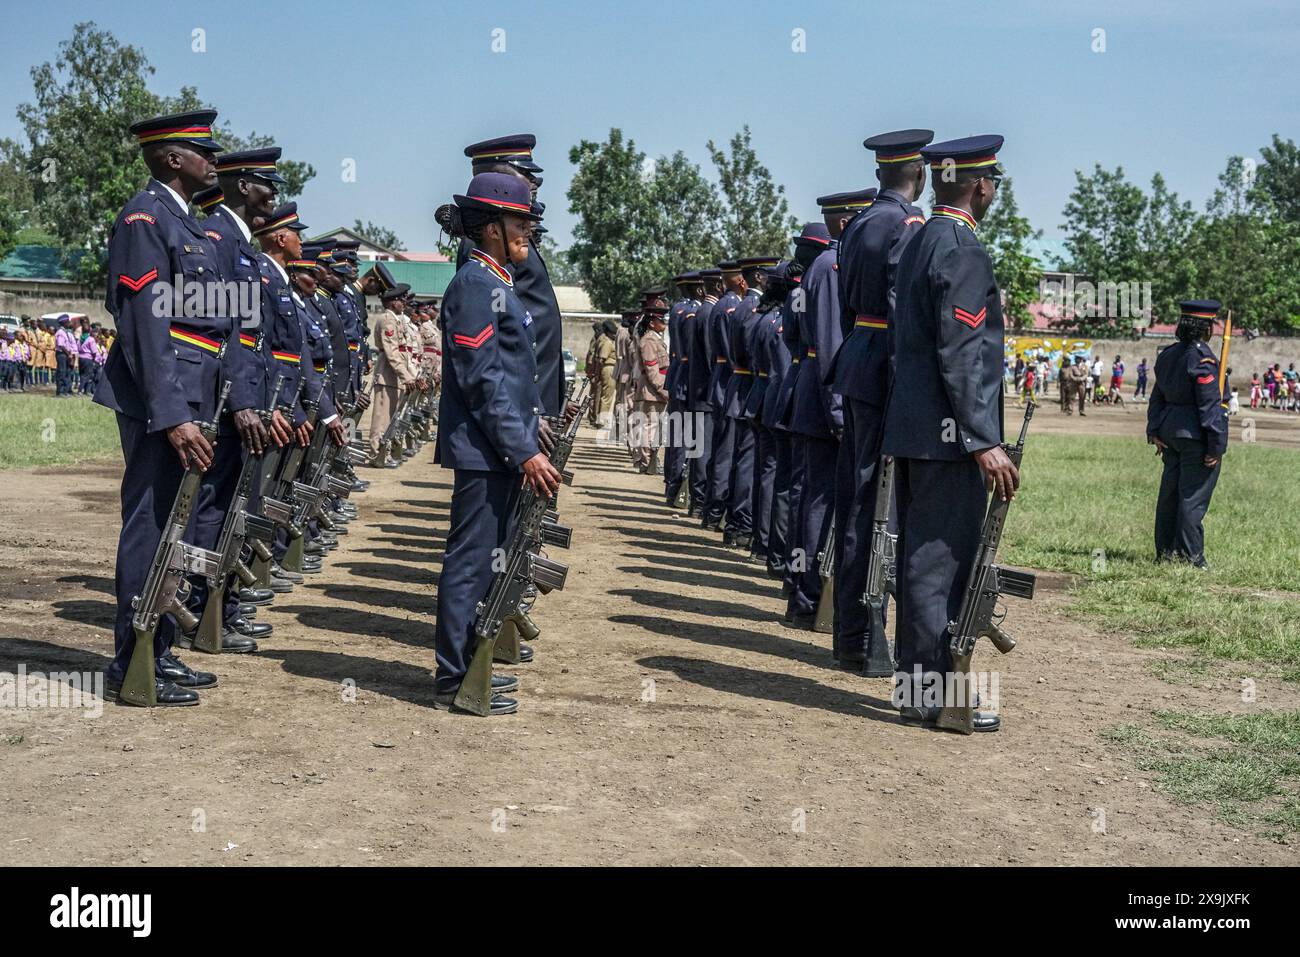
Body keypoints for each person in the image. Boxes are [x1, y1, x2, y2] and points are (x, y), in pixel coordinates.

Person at [93, 109, 232, 706]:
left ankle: (162, 648)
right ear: (174, 159)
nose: (213, 161)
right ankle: (134, 660)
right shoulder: (145, 218)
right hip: (163, 399)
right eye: (204, 152)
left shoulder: (184, 222)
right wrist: (171, 413)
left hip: (189, 392)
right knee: (149, 526)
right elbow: (146, 324)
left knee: (174, 529)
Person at [881, 134, 1015, 733]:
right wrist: (983, 438)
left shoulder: (921, 239)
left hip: (916, 428)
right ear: (981, 185)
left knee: (920, 559)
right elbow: (962, 352)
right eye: (995, 185)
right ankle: (932, 695)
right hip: (948, 437)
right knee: (939, 565)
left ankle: (917, 690)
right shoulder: (961, 247)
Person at [431, 172, 560, 715]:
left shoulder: (496, 282)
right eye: (519, 221)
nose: (528, 230)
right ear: (488, 228)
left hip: (498, 447)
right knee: (471, 561)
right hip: (486, 451)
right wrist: (523, 449)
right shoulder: (475, 287)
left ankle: (472, 667)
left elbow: (510, 376)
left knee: (491, 561)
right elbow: (482, 380)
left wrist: (536, 428)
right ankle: (455, 677)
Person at [828, 129, 930, 667]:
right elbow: (902, 307)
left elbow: (851, 308)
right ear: (921, 174)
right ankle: (867, 638)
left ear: (879, 175)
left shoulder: (860, 223)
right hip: (887, 368)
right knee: (881, 511)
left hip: (858, 362)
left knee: (857, 504)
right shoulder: (908, 224)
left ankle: (850, 636)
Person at [787, 191, 872, 627]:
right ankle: (808, 599)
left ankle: (808, 597)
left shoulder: (832, 265)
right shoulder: (831, 266)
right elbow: (829, 344)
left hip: (822, 400)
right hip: (826, 405)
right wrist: (839, 413)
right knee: (820, 503)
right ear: (845, 222)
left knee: (818, 500)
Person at [1148, 300, 1228, 568]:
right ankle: (1191, 557)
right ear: (1206, 328)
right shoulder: (1203, 359)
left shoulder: (1169, 354)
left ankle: (1166, 552)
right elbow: (1209, 407)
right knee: (1192, 497)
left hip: (1170, 432)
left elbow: (1157, 396)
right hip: (1195, 436)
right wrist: (1216, 445)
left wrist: (1154, 429)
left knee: (1170, 495)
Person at [368, 283, 419, 467]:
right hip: (387, 374)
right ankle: (377, 454)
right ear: (391, 302)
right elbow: (392, 352)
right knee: (382, 418)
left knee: (391, 418)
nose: (404, 302)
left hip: (395, 374)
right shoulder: (387, 319)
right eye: (400, 299)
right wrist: (406, 376)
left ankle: (385, 453)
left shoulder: (396, 319)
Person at [636, 304, 671, 475]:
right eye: (660, 319)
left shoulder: (655, 338)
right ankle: (647, 461)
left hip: (657, 391)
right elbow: (652, 371)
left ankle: (650, 460)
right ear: (651, 323)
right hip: (653, 392)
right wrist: (663, 391)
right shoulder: (649, 340)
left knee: (654, 427)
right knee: (650, 428)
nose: (664, 322)